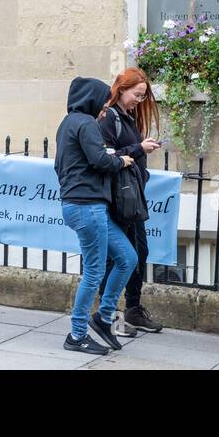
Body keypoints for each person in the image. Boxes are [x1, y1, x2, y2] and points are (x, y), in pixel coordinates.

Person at [54, 76, 138, 356]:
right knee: (94, 272)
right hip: (87, 206)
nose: (105, 108)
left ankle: (103, 317)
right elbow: (99, 161)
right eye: (104, 102)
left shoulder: (68, 123)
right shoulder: (86, 123)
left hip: (83, 205)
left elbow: (64, 165)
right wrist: (121, 160)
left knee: (127, 257)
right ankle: (77, 335)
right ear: (91, 100)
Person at [96, 68, 165, 335]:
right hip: (117, 199)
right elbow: (105, 156)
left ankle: (134, 310)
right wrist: (139, 149)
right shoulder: (108, 118)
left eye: (143, 95)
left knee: (140, 253)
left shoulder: (128, 117)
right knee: (116, 258)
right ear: (121, 88)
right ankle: (109, 314)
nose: (139, 100)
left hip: (133, 196)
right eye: (137, 94)